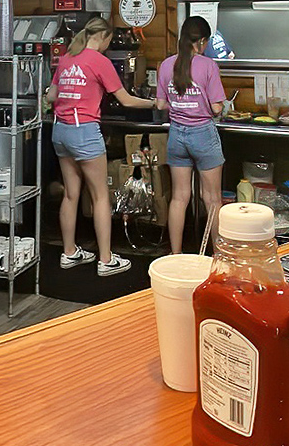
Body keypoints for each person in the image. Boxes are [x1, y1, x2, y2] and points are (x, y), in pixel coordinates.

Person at [46, 17, 154, 276]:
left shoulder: (67, 58)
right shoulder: (100, 61)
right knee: (100, 196)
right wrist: (155, 103)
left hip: (60, 130)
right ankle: (105, 260)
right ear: (104, 37)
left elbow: (51, 95)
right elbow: (126, 100)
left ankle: (69, 253)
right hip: (84, 131)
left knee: (71, 194)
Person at [156, 16, 226, 254]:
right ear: (202, 41)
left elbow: (160, 104)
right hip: (202, 134)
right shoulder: (208, 65)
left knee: (179, 197)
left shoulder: (166, 65)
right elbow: (216, 107)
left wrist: (180, 104)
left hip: (176, 134)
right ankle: (217, 257)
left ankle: (175, 255)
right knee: (212, 199)